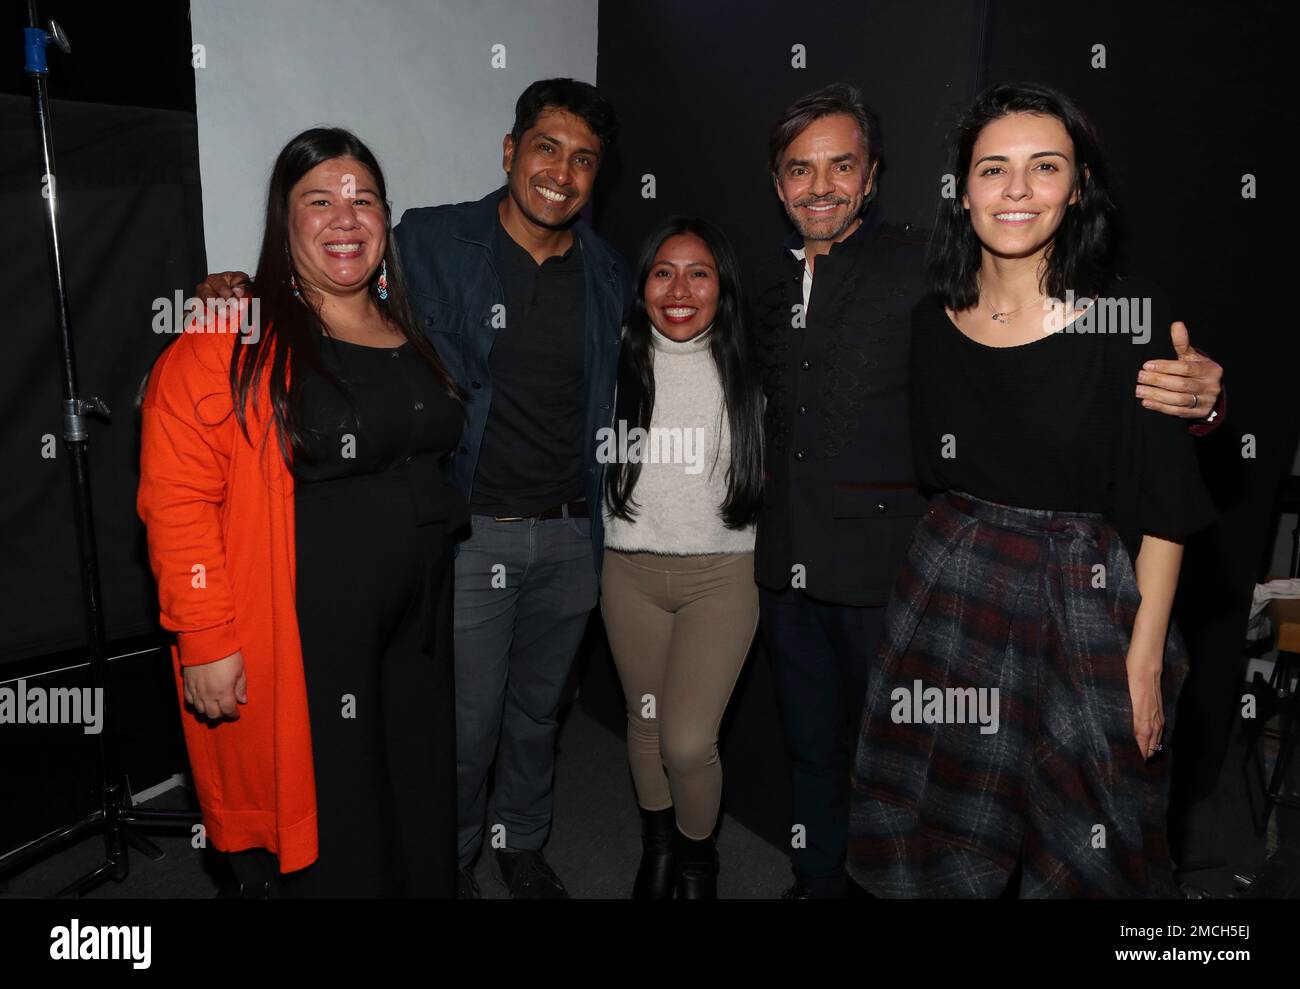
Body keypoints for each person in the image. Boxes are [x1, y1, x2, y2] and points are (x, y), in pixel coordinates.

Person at [751, 83, 1225, 899]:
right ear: (962, 188)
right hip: (949, 590)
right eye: (992, 169)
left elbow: (1164, 493)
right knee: (942, 830)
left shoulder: (1128, 315)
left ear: (1077, 187)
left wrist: (1143, 659)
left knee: (1089, 841)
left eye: (1044, 168)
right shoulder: (936, 312)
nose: (1015, 190)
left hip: (1082, 601)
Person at [195, 80, 632, 899]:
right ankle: (452, 857)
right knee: (458, 725)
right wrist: (238, 290)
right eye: (546, 147)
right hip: (471, 532)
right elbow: (330, 266)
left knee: (539, 713)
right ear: (510, 152)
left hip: (574, 531)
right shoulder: (433, 240)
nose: (561, 173)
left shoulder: (608, 271)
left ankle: (523, 840)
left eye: (584, 160)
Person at [138, 127, 465, 897]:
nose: (344, 218)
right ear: (284, 224)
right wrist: (206, 636)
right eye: (318, 201)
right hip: (304, 631)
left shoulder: (406, 327)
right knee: (335, 816)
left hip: (418, 626)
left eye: (364, 200)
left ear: (387, 219)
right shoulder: (234, 331)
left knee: (413, 797)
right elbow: (177, 491)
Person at [599, 217, 764, 899]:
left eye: (699, 273)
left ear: (721, 288)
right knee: (646, 724)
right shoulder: (611, 360)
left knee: (689, 740)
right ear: (641, 288)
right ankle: (659, 850)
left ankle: (698, 861)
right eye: (663, 271)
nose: (680, 288)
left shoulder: (754, 369)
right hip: (628, 573)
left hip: (721, 577)